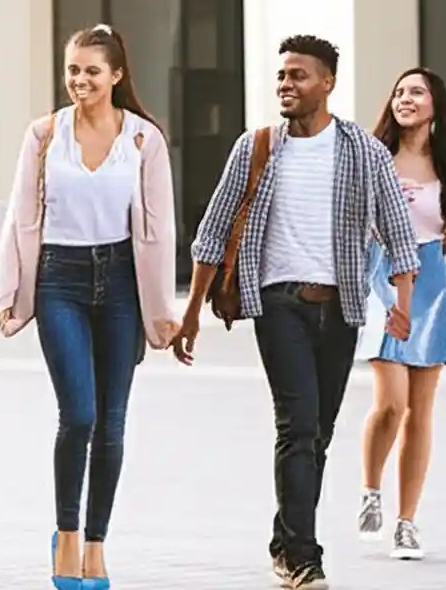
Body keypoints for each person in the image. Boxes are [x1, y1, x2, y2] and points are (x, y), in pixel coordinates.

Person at [174, 35, 420, 589]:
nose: (287, 85)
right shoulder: (256, 146)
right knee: (299, 426)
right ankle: (304, 557)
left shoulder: (363, 150)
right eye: (282, 76)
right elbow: (212, 232)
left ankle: (286, 541)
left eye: (299, 76)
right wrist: (191, 312)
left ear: (328, 82)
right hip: (278, 304)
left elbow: (399, 234)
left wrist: (400, 305)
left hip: (342, 309)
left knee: (319, 433)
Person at [0, 24, 181, 590]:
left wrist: (161, 309)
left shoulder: (144, 140)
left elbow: (158, 227)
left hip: (120, 282)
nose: (80, 80)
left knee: (112, 422)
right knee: (78, 415)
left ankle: (96, 544)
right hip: (60, 282)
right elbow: (20, 216)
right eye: (73, 70)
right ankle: (66, 535)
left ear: (116, 75)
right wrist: (6, 293)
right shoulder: (44, 135)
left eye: (92, 71)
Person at [356, 67, 446, 560]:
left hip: (433, 292)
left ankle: (407, 522)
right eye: (399, 91)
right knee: (392, 403)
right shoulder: (372, 159)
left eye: (416, 92)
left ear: (434, 106)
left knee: (421, 412)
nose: (405, 98)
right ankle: (370, 490)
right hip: (384, 285)